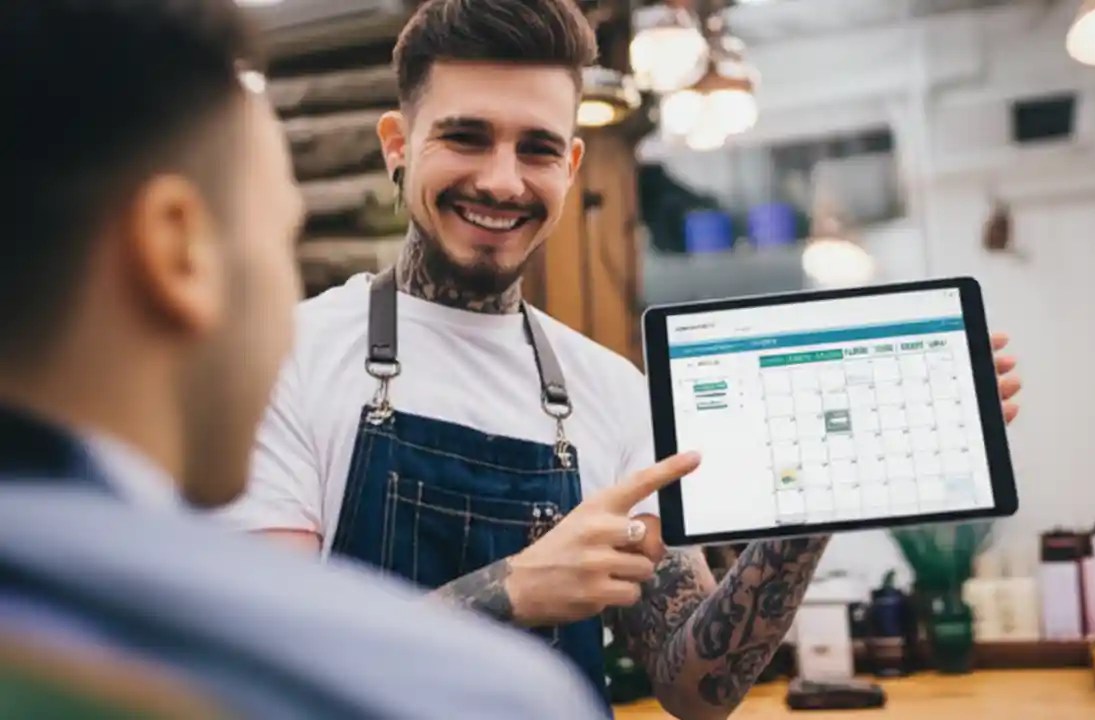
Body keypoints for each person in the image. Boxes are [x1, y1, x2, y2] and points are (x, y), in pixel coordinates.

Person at [222, 0, 1024, 718]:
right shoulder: (288, 360)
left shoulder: (610, 391)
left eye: (536, 149)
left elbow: (697, 683)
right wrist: (514, 593)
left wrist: (820, 482)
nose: (502, 180)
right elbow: (266, 667)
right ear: (399, 145)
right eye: (466, 137)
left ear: (569, 169)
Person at [0, 1, 611, 718]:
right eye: (281, 234)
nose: (502, 181)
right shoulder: (496, 697)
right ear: (176, 252)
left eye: (535, 148)